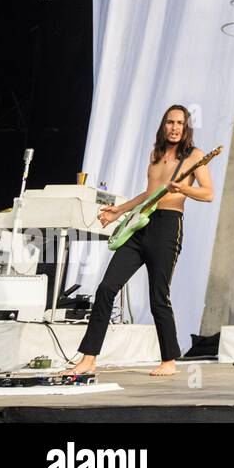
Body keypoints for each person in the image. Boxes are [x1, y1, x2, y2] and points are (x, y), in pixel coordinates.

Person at [63, 105, 216, 377]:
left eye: (180, 123)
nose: (174, 127)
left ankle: (169, 361)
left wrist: (184, 188)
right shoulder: (155, 156)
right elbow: (148, 194)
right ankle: (88, 358)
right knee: (106, 287)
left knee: (158, 296)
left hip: (168, 226)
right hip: (141, 225)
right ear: (163, 125)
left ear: (186, 127)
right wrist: (119, 210)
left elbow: (208, 194)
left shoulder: (195, 156)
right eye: (170, 122)